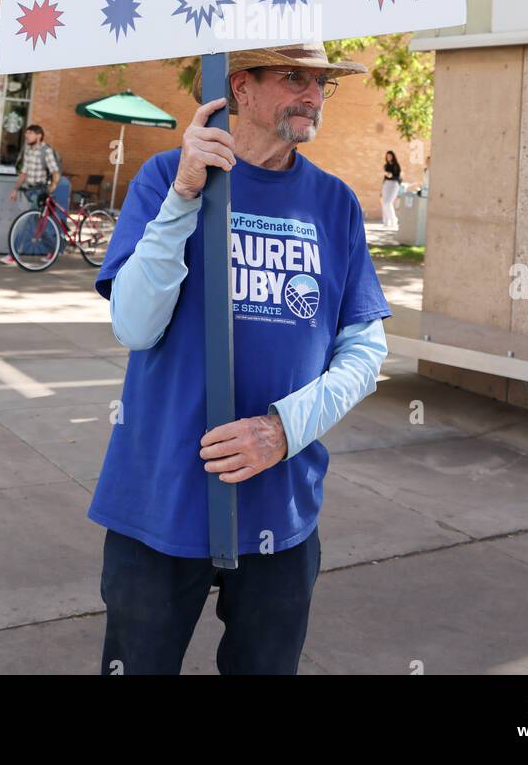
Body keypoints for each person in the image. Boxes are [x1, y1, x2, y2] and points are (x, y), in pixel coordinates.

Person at [90, 42, 392, 676]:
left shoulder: (335, 203)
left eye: (320, 83)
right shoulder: (165, 177)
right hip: (160, 496)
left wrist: (282, 431)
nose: (312, 94)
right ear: (240, 89)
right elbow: (134, 327)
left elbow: (364, 352)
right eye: (293, 77)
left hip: (278, 504)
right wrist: (184, 197)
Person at [0, 123, 60, 264]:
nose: (26, 135)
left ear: (38, 136)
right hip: (30, 191)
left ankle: (13, 255)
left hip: (40, 192)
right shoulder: (29, 150)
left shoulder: (46, 151)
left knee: (26, 222)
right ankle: (53, 249)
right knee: (40, 224)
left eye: (30, 133)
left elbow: (55, 171)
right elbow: (24, 173)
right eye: (26, 133)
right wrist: (15, 189)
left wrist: (53, 186)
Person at [381, 149, 402, 228]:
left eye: (390, 156)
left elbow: (398, 177)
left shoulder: (396, 165)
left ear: (393, 156)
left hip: (394, 184)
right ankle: (386, 221)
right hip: (386, 184)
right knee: (384, 203)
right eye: (387, 156)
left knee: (388, 203)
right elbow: (385, 177)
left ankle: (394, 220)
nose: (388, 157)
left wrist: (392, 176)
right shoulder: (386, 166)